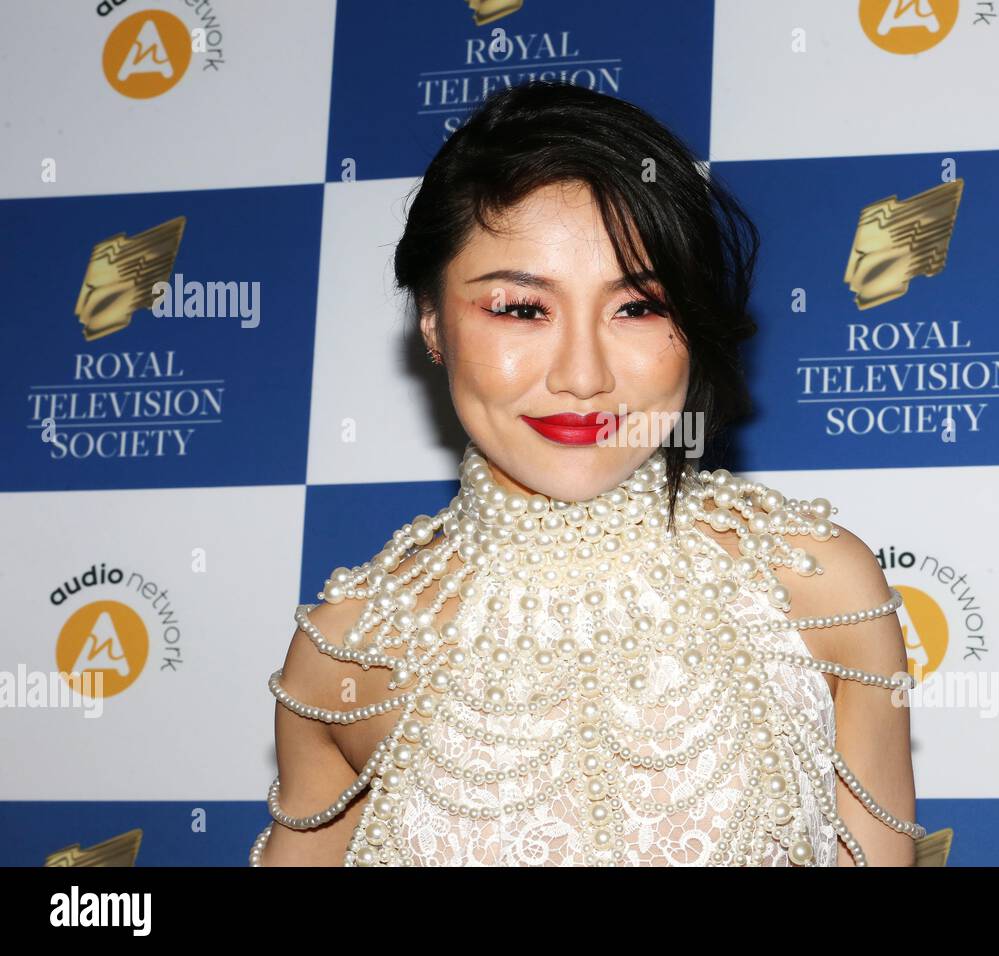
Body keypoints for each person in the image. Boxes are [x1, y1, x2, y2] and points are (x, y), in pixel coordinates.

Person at [248, 81, 923, 867]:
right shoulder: (346, 652)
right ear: (432, 322)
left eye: (636, 307)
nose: (581, 374)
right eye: (520, 309)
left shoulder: (817, 582)